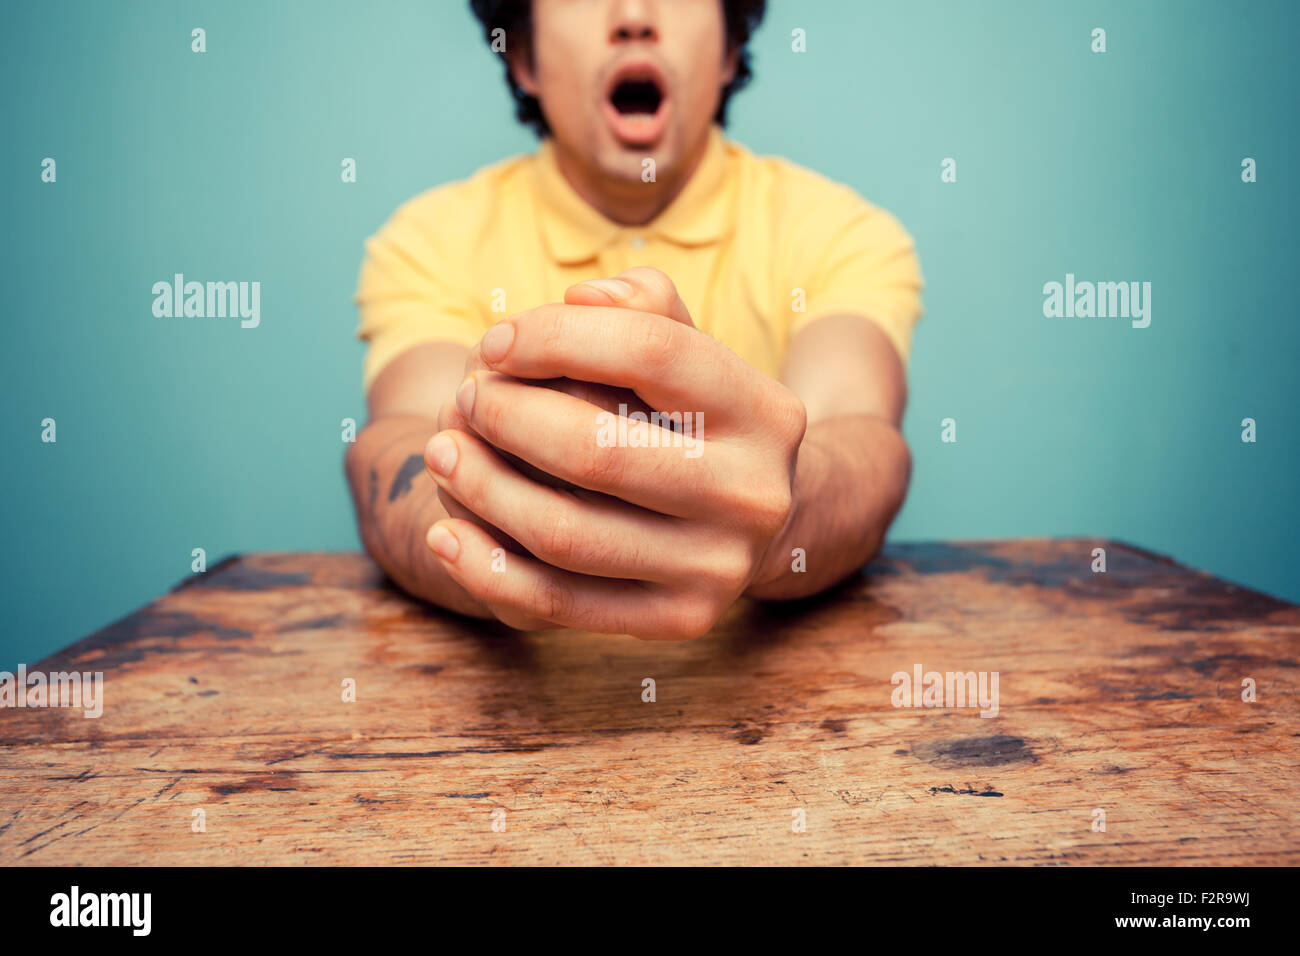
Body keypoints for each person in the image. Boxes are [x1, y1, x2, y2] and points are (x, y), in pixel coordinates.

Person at [345, 0, 923, 639]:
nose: (634, 15)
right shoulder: (428, 240)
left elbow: (861, 439)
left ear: (729, 50)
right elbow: (397, 442)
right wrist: (505, 539)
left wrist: (778, 515)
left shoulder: (841, 232)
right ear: (525, 57)